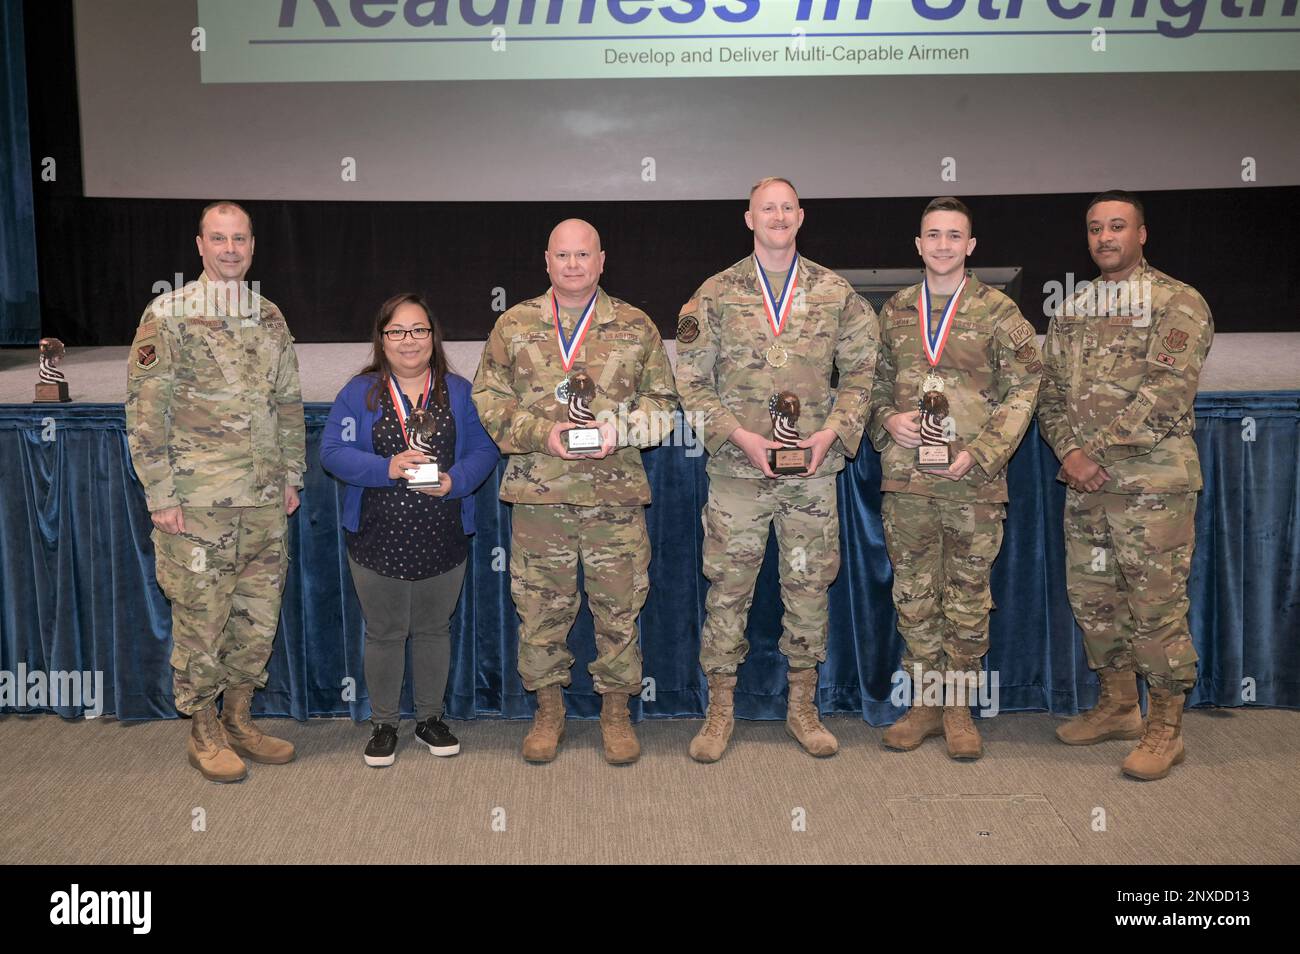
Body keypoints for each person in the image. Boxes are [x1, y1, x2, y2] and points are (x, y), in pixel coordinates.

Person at [673, 177, 879, 762]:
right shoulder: (714, 294)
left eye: (787, 208)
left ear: (801, 216)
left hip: (811, 472)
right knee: (728, 589)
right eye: (768, 208)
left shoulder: (836, 293)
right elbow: (690, 379)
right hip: (739, 469)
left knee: (810, 588)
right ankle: (719, 711)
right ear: (749, 218)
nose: (778, 216)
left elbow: (863, 375)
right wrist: (738, 435)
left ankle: (803, 708)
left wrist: (831, 433)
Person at [471, 218, 678, 765]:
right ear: (546, 261)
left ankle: (615, 712)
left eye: (582, 254)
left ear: (601, 260)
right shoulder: (514, 324)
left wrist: (621, 430)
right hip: (541, 498)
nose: (572, 264)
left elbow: (666, 407)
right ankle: (549, 711)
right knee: (540, 611)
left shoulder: (636, 326)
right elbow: (487, 402)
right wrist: (543, 433)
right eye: (562, 255)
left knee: (618, 610)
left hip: (614, 498)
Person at [126, 201, 304, 783]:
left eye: (241, 239)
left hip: (263, 502)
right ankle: (202, 732)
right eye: (219, 239)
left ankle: (239, 718)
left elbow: (287, 405)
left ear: (253, 246)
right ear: (199, 245)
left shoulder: (270, 316)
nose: (231, 249)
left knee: (256, 619)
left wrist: (292, 477)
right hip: (199, 506)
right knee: (202, 618)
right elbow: (147, 414)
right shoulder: (170, 314)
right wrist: (161, 495)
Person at [1038, 190, 1212, 780]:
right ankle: (1117, 705)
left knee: (1156, 608)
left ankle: (1166, 727)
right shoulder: (1073, 306)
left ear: (1141, 234)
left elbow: (1165, 396)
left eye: (1117, 226)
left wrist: (1095, 454)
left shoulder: (1178, 302)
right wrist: (1069, 450)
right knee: (1095, 600)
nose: (1105, 237)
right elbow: (1051, 393)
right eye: (1095, 229)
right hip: (1087, 486)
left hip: (1152, 487)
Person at [869, 197, 1042, 760]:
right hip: (908, 480)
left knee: (967, 597)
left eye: (954, 236)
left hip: (973, 481)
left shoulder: (999, 312)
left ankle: (959, 707)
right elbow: (868, 389)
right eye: (932, 235)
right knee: (915, 596)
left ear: (970, 247)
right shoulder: (893, 310)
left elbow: (1025, 389)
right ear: (918, 245)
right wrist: (886, 420)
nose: (942, 245)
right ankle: (923, 703)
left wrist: (985, 451)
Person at [320, 294, 499, 767]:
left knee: (433, 629)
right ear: (381, 338)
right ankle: (383, 723)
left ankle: (429, 718)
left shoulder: (459, 391)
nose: (409, 341)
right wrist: (388, 467)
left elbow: (484, 451)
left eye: (418, 330)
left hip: (443, 531)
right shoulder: (358, 393)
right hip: (377, 534)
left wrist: (455, 482)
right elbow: (332, 452)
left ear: (432, 335)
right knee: (383, 631)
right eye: (397, 331)